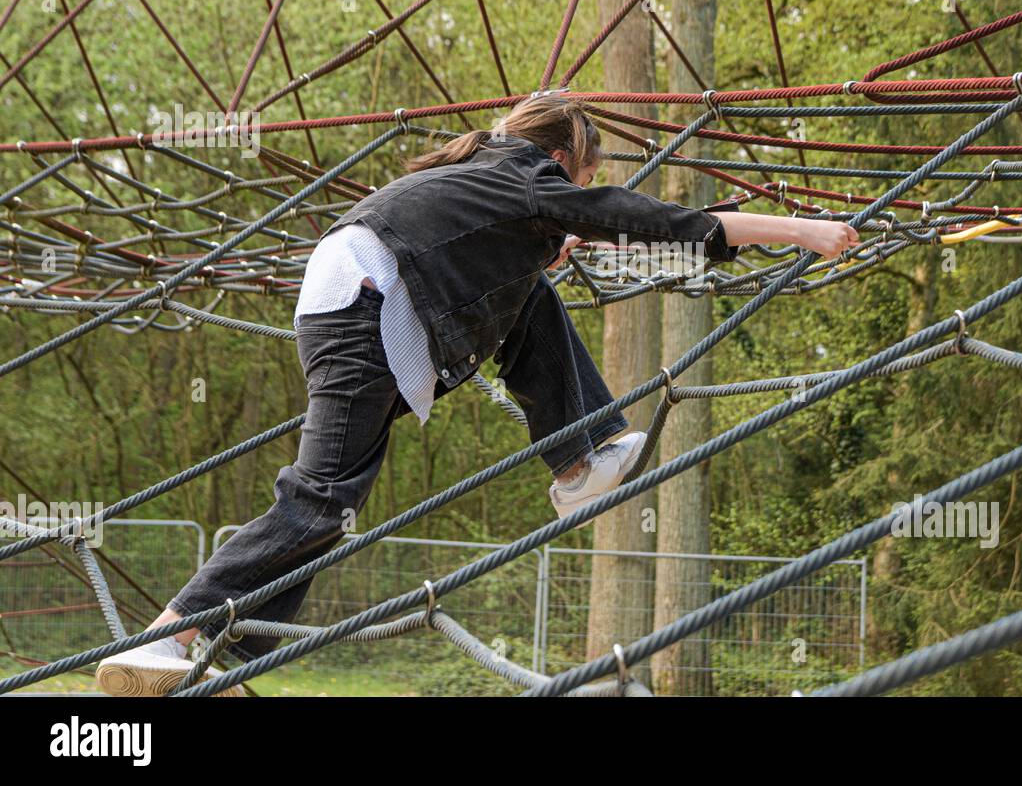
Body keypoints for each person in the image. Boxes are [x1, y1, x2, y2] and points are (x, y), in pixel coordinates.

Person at [94, 95, 859, 696]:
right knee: (320, 497)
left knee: (337, 501)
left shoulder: (481, 176)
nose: (573, 192)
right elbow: (650, 222)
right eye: (578, 176)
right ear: (562, 156)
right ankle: (166, 635)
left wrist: (532, 248)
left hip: (362, 296)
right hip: (367, 303)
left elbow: (486, 258)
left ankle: (575, 460)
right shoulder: (529, 175)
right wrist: (800, 231)